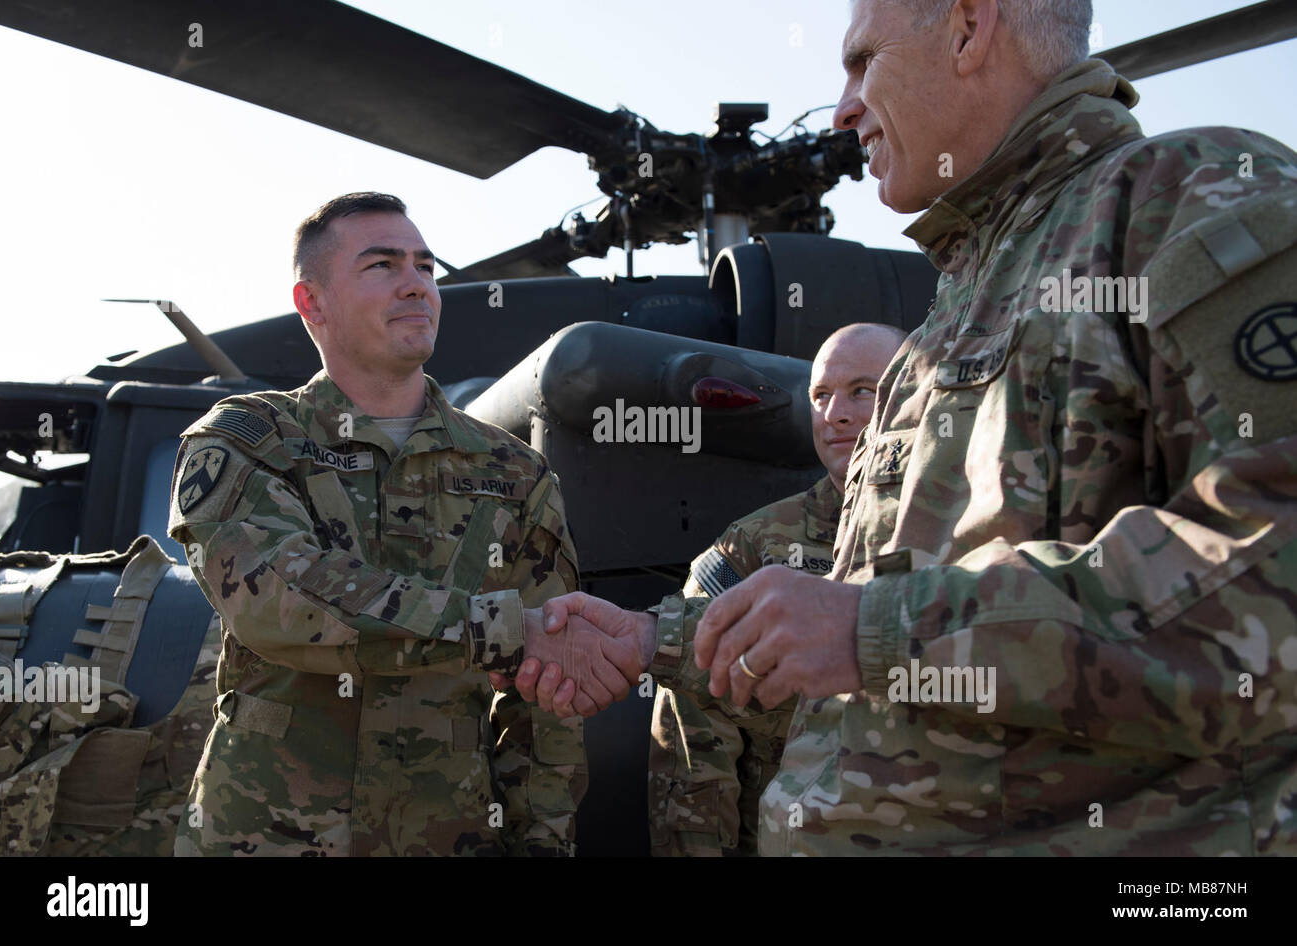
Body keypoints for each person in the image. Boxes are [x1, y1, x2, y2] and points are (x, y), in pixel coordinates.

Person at [520, 0, 1297, 855]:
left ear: (969, 28)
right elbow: (850, 623)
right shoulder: (950, 317)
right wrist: (649, 637)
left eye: (863, 63)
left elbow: (1274, 573)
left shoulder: (1188, 196)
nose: (845, 107)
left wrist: (877, 631)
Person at [167, 192, 638, 856]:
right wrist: (502, 630)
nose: (416, 283)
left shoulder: (513, 471)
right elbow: (281, 601)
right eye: (382, 265)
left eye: (425, 266)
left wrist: (541, 840)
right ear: (312, 303)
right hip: (266, 835)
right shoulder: (250, 440)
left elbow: (548, 696)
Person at [649, 323, 905, 856]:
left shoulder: (981, 526)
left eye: (863, 391)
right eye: (820, 395)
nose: (835, 414)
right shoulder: (757, 545)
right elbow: (696, 716)